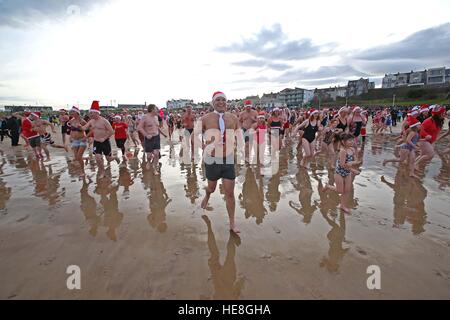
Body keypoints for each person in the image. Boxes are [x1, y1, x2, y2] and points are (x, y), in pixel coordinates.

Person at [200, 91, 242, 234]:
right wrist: (203, 146)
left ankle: (232, 223)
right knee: (211, 188)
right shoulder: (206, 118)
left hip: (228, 158)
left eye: (223, 100)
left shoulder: (233, 118)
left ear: (226, 102)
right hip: (212, 159)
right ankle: (207, 195)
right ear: (213, 102)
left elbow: (239, 134)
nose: (221, 102)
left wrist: (238, 145)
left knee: (229, 193)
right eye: (217, 100)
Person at [322, 133, 361, 213]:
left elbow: (357, 160)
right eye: (349, 140)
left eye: (352, 140)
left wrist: (353, 162)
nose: (352, 142)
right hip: (339, 173)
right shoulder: (343, 151)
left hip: (347, 173)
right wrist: (353, 170)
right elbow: (342, 165)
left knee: (347, 190)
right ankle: (328, 186)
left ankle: (343, 206)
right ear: (343, 142)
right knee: (340, 191)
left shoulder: (352, 150)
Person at [81, 101, 119, 179]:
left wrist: (104, 138)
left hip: (105, 142)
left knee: (109, 159)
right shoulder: (91, 121)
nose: (90, 114)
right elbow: (84, 128)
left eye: (91, 113)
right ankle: (102, 172)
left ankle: (115, 158)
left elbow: (112, 131)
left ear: (97, 113)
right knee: (98, 157)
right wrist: (78, 125)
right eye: (90, 113)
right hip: (96, 142)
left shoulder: (104, 121)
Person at [137, 104, 167, 174]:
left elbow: (157, 127)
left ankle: (155, 169)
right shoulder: (145, 117)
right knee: (149, 156)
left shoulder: (156, 117)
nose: (157, 110)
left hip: (156, 137)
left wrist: (162, 133)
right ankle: (148, 161)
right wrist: (146, 135)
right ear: (152, 109)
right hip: (149, 138)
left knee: (156, 154)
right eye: (156, 109)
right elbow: (139, 127)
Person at [415, 105, 446, 171]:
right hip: (424, 140)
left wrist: (435, 140)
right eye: (443, 113)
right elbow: (421, 129)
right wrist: (426, 135)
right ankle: (415, 164)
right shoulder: (429, 120)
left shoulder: (439, 121)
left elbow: (436, 132)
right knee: (430, 155)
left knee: (423, 155)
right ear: (438, 114)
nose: (444, 114)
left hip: (431, 141)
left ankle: (413, 164)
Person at [67, 106, 88, 176]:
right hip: (74, 140)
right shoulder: (71, 121)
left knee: (78, 157)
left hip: (82, 140)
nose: (71, 113)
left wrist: (86, 136)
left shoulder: (82, 121)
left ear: (77, 113)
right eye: (71, 112)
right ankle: (86, 158)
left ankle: (83, 171)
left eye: (72, 112)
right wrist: (70, 137)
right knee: (76, 158)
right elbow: (71, 130)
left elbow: (90, 129)